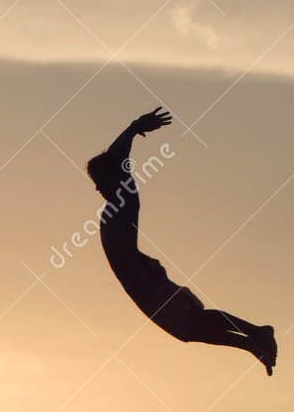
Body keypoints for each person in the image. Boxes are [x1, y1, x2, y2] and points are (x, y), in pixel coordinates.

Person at [87, 108, 277, 375]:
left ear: (111, 178)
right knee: (189, 324)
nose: (96, 188)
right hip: (139, 276)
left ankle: (254, 339)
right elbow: (112, 159)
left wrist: (132, 128)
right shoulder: (119, 202)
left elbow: (115, 157)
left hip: (140, 277)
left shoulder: (124, 199)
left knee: (187, 327)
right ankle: (255, 337)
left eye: (97, 181)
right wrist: (131, 129)